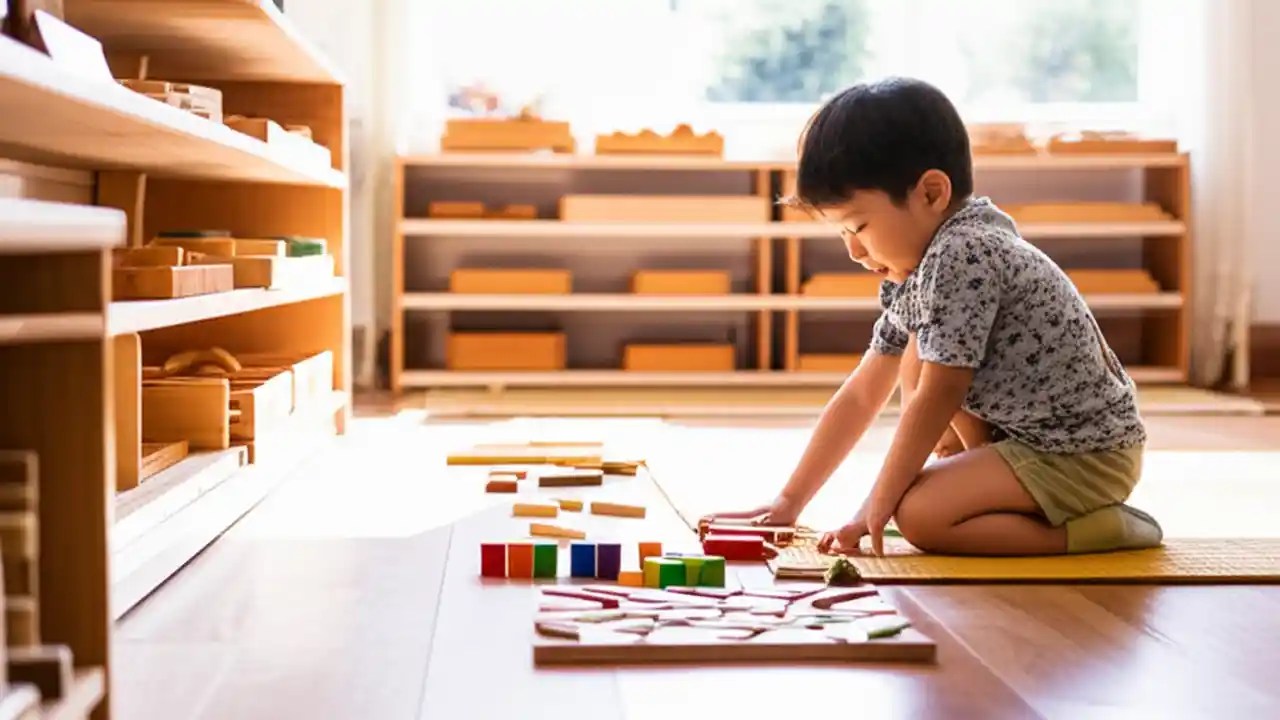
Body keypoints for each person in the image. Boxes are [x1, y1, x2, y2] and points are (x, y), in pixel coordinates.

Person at [704, 77, 1162, 557]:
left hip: (1081, 454)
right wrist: (788, 502)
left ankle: (1101, 530)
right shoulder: (926, 265)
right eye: (842, 234)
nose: (855, 251)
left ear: (931, 193)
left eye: (858, 226)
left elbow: (942, 391)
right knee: (914, 353)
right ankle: (981, 484)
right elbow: (863, 393)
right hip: (1031, 440)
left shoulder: (965, 252)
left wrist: (876, 506)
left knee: (920, 516)